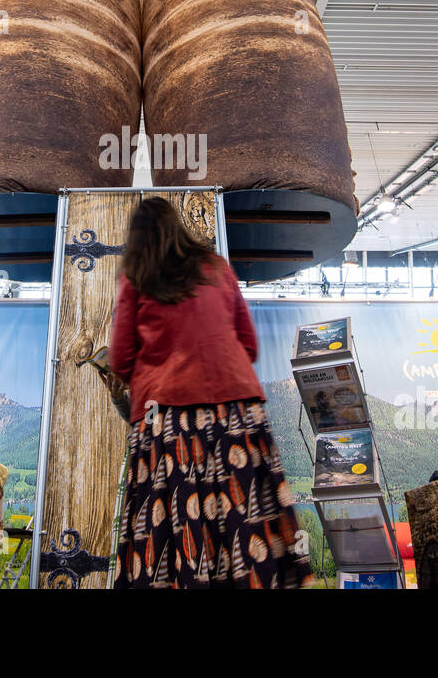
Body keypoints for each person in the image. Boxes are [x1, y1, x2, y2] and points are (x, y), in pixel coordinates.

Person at [108, 197, 312, 588]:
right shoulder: (218, 268)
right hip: (236, 411)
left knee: (170, 520)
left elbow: (120, 358)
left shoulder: (136, 276)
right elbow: (248, 346)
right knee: (242, 514)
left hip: (163, 416)